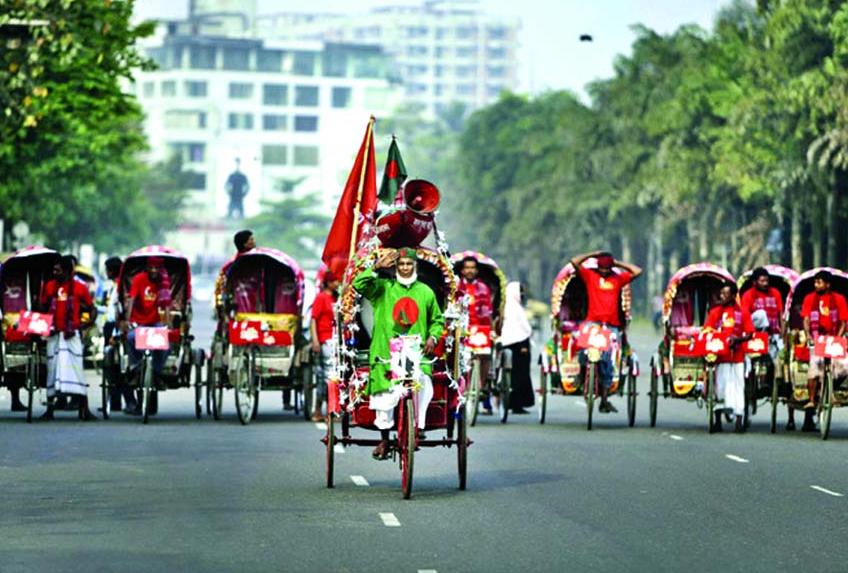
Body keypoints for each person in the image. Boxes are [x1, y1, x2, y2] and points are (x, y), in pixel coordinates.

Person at [353, 248, 445, 460]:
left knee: (422, 382)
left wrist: (433, 337)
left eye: (408, 264)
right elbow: (359, 285)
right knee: (384, 394)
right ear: (395, 267)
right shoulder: (382, 289)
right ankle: (384, 439)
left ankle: (418, 426)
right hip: (385, 351)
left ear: (415, 266)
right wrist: (376, 267)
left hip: (416, 352)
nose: (405, 268)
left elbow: (437, 320)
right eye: (401, 264)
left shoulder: (425, 292)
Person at [570, 251, 642, 413]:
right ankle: (581, 377)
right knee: (583, 351)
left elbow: (637, 271)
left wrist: (618, 264)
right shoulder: (590, 276)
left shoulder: (618, 279)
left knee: (608, 360)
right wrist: (593, 254)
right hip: (592, 324)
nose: (604, 271)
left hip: (611, 326)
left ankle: (604, 399)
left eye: (607, 268)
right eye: (601, 268)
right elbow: (574, 262)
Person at [39, 255, 98, 421]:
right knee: (52, 370)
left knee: (77, 370)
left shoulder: (80, 287)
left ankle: (84, 409)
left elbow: (91, 309)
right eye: (54, 270)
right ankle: (49, 410)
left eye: (57, 270)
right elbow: (43, 308)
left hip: (72, 335)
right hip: (54, 335)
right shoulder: (49, 286)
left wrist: (86, 326)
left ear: (66, 271)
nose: (54, 272)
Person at [122, 257, 171, 416]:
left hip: (155, 322)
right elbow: (131, 299)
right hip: (139, 322)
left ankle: (156, 371)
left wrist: (168, 325)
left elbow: (167, 305)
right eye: (151, 268)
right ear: (147, 268)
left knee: (166, 344)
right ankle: (135, 366)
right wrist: (128, 320)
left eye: (157, 268)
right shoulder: (139, 280)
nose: (154, 271)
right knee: (130, 338)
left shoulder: (164, 282)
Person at [740, 267, 788, 426]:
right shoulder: (748, 295)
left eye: (766, 281)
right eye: (762, 281)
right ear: (754, 283)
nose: (765, 283)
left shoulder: (775, 293)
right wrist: (750, 333)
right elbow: (745, 315)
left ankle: (778, 382)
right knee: (746, 364)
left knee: (782, 356)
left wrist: (782, 333)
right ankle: (747, 387)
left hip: (773, 335)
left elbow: (781, 315)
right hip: (754, 335)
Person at [800, 270, 848, 430]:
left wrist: (838, 338)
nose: (816, 285)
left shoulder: (839, 299)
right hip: (816, 339)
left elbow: (843, 321)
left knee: (845, 366)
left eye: (820, 282)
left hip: (834, 340)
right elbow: (806, 319)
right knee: (814, 366)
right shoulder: (809, 299)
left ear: (828, 284)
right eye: (815, 282)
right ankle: (812, 400)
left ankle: (830, 387)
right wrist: (808, 335)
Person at [705, 283, 754, 433]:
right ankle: (717, 420)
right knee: (719, 387)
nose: (722, 297)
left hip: (738, 357)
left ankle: (739, 420)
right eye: (721, 294)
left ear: (733, 296)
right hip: (720, 357)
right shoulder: (714, 312)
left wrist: (738, 340)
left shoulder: (743, 312)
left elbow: (750, 333)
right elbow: (707, 330)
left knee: (739, 387)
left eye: (725, 294)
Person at [457, 255, 494, 415]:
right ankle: (460, 388)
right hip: (461, 328)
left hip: (480, 329)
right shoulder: (456, 285)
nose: (470, 270)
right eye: (467, 268)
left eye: (472, 268)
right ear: (463, 270)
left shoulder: (483, 288)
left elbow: (488, 312)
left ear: (476, 270)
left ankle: (480, 385)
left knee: (485, 355)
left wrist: (491, 329)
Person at [310, 271, 340, 421]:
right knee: (326, 376)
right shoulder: (321, 298)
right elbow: (313, 319)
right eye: (335, 281)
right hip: (325, 340)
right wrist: (315, 340)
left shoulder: (337, 298)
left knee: (335, 376)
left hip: (336, 341)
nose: (337, 284)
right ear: (328, 283)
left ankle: (331, 409)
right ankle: (319, 410)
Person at [500, 281, 534, 414]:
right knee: (520, 375)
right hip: (519, 346)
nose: (522, 294)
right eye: (520, 291)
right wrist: (524, 346)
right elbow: (520, 330)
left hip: (508, 344)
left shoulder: (507, 307)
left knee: (514, 375)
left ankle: (513, 403)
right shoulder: (514, 308)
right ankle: (517, 404)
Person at [101, 256, 126, 413]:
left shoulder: (120, 288)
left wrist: (115, 334)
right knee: (111, 365)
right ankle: (114, 400)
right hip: (109, 326)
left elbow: (119, 312)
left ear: (111, 271)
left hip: (115, 328)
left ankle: (122, 399)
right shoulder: (113, 286)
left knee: (116, 365)